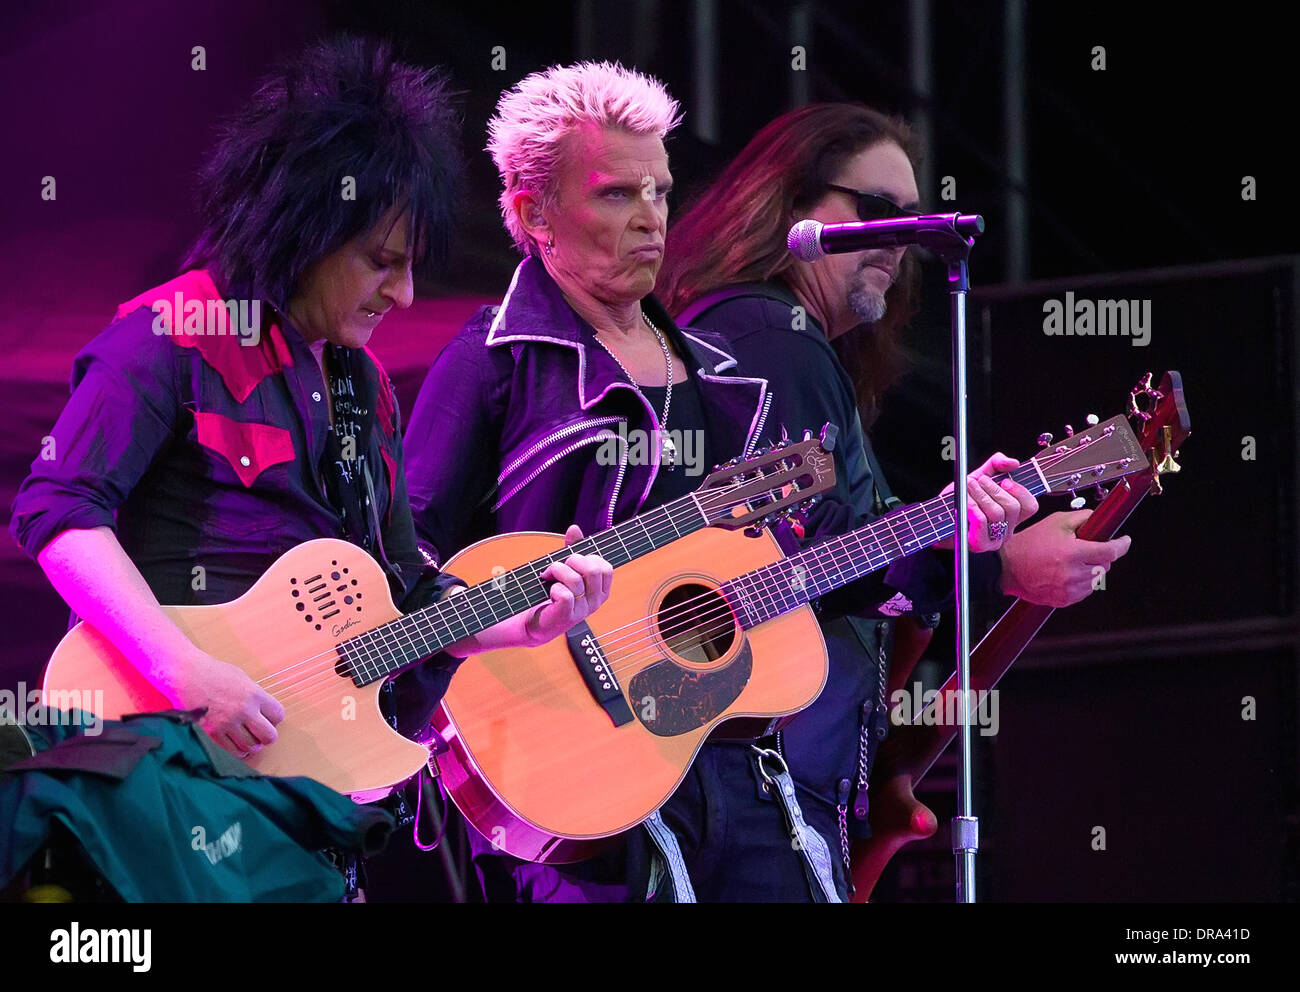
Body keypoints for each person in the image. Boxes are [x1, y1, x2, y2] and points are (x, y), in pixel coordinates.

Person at [404, 64, 1034, 902]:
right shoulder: (494, 361)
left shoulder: (719, 373)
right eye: (616, 195)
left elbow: (806, 568)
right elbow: (406, 566)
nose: (649, 219)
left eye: (660, 192)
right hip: (573, 772)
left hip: (734, 761)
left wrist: (953, 537)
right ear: (532, 214)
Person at [8, 38, 611, 825]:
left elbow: (406, 593)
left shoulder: (364, 390)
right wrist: (187, 673)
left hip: (301, 798)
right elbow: (56, 512)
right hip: (166, 776)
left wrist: (521, 624)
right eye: (381, 262)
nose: (403, 294)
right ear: (304, 231)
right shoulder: (171, 335)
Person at [658, 102, 1132, 896]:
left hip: (748, 784)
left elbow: (813, 553)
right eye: (876, 212)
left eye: (912, 222)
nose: (900, 241)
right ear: (792, 205)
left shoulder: (755, 336)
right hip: (750, 796)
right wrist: (998, 566)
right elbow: (795, 555)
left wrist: (950, 536)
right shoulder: (774, 335)